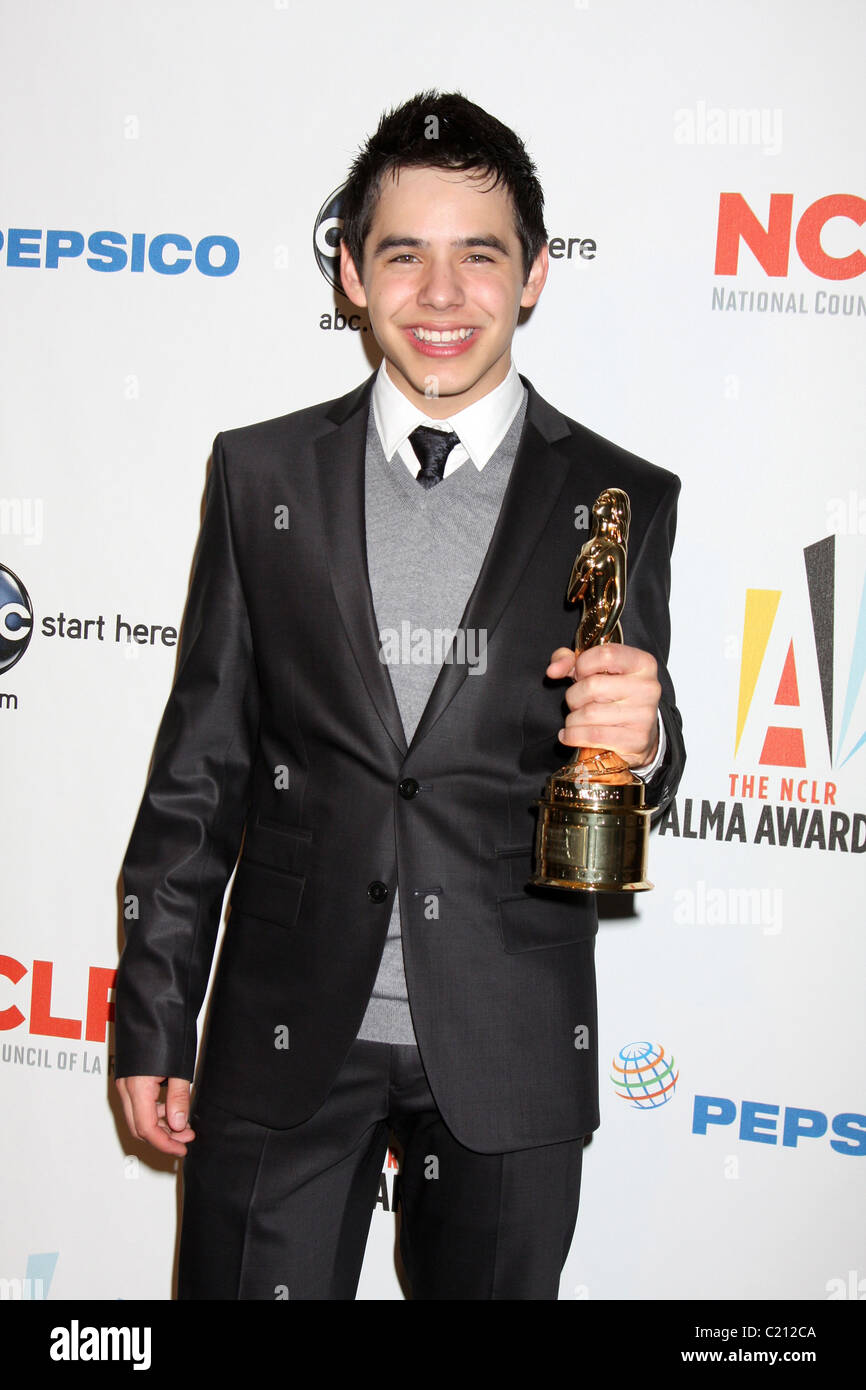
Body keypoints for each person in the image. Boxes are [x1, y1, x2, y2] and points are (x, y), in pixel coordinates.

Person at [115, 90, 685, 1301]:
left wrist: (643, 745)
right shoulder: (259, 473)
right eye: (402, 255)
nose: (439, 295)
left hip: (508, 1045)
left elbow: (632, 733)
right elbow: (200, 768)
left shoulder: (620, 497)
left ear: (533, 275)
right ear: (348, 276)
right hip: (281, 1042)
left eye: (477, 257)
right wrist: (156, 1015)